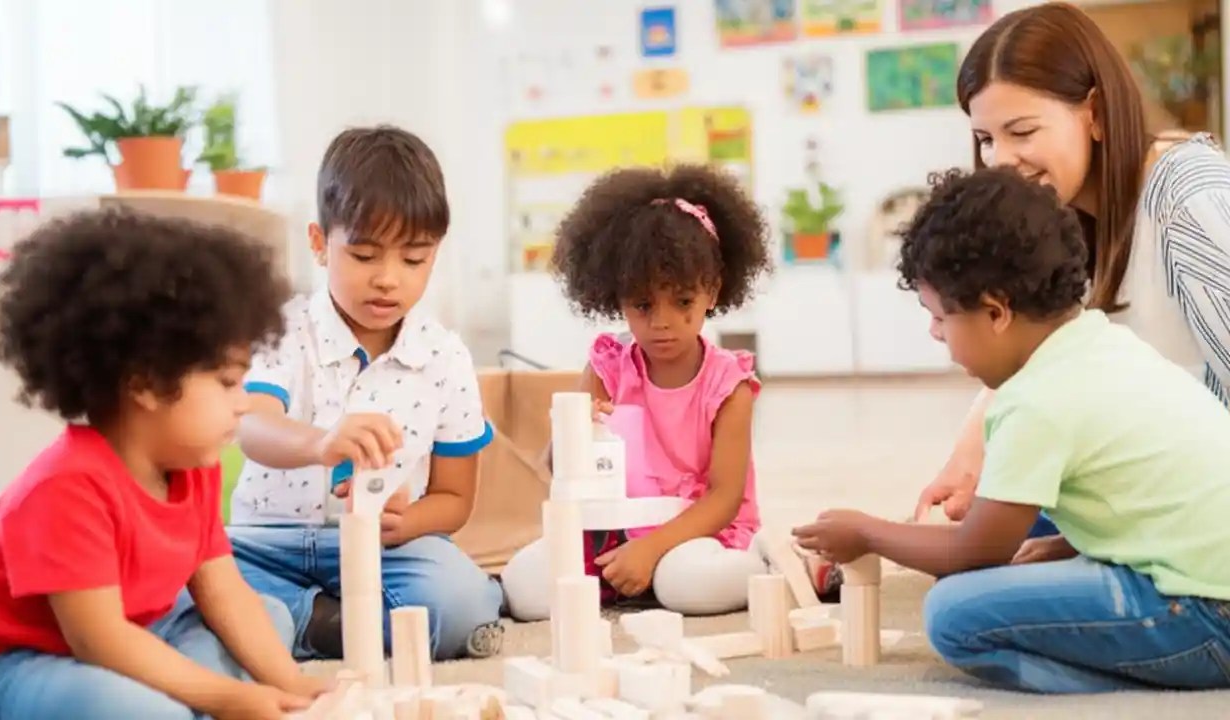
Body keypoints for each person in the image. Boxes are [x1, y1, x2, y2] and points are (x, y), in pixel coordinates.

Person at [796, 166, 1230, 694]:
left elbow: (973, 553)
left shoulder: (1034, 402)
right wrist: (1073, 545)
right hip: (1207, 567)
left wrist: (866, 532)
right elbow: (1150, 489)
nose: (935, 335)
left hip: (1206, 616)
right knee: (1035, 524)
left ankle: (1120, 689)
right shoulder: (1103, 342)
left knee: (953, 614)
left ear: (996, 312)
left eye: (939, 319)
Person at [0, 210, 327, 719]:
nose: (243, 402)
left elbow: (225, 591)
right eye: (226, 382)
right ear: (146, 383)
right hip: (6, 662)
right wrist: (228, 697)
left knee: (268, 617)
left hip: (136, 631)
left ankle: (172, 696)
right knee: (132, 708)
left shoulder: (194, 462)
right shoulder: (65, 487)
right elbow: (98, 639)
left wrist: (293, 685)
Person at [914, 1, 1230, 538]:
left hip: (1199, 507)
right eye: (987, 139)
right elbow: (1045, 355)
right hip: (1142, 486)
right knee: (979, 532)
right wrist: (971, 451)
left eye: (1022, 131)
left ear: (1096, 113)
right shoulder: (1063, 218)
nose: (1001, 161)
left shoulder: (1185, 194)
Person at [226, 125, 504, 663]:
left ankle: (301, 625)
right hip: (265, 543)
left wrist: (410, 522)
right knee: (188, 579)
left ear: (436, 254)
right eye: (364, 255)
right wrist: (320, 443)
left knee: (461, 601)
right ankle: (324, 622)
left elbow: (455, 499)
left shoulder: (444, 358)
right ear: (319, 243)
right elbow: (251, 427)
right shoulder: (283, 329)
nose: (387, 279)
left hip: (383, 550)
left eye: (413, 259)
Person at [500, 164, 774, 619]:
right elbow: (553, 469)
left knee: (684, 583)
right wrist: (575, 436)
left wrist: (651, 550)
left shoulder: (729, 386)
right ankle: (628, 580)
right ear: (616, 297)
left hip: (693, 537)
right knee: (526, 588)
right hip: (612, 535)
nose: (662, 322)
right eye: (643, 305)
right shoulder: (608, 367)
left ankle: (761, 566)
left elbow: (724, 500)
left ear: (712, 291)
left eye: (682, 302)